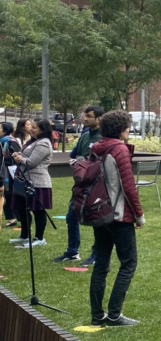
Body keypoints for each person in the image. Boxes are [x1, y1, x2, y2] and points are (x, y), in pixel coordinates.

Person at [88, 110, 145, 327]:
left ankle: (97, 315)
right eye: (128, 127)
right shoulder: (119, 149)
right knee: (128, 264)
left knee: (101, 263)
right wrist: (139, 216)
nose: (129, 130)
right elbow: (128, 186)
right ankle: (114, 315)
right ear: (121, 130)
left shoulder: (97, 147)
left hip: (100, 213)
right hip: (119, 215)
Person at [52, 105, 103, 264]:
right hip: (81, 184)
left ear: (99, 119)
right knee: (71, 216)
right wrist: (78, 160)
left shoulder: (103, 138)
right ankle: (72, 251)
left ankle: (97, 255)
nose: (84, 118)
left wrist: (83, 161)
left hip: (97, 185)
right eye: (84, 115)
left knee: (96, 220)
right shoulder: (85, 135)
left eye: (88, 116)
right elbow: (74, 155)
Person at [10, 119, 54, 249]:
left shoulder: (44, 143)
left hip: (38, 182)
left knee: (38, 210)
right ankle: (24, 235)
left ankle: (39, 238)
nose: (31, 129)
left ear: (42, 130)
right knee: (21, 208)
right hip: (23, 180)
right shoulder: (33, 141)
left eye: (34, 127)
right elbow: (25, 156)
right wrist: (19, 155)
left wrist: (20, 158)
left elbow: (32, 162)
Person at [1, 122, 17, 228]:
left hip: (9, 172)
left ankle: (13, 217)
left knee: (8, 194)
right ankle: (12, 217)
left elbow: (16, 156)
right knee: (6, 194)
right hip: (3, 171)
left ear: (5, 131)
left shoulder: (11, 142)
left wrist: (4, 159)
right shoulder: (2, 141)